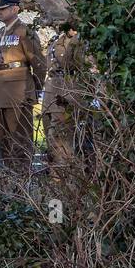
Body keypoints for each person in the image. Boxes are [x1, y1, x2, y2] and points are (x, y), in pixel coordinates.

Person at [0, 0, 47, 174]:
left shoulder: (24, 30)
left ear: (15, 9)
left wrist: (35, 88)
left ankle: (22, 178)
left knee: (20, 137)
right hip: (0, 90)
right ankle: (9, 178)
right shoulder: (0, 33)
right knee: (3, 137)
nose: (0, 12)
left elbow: (38, 61)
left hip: (18, 89)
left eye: (3, 9)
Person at [42, 20, 86, 167]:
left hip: (66, 91)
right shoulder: (56, 38)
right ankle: (56, 180)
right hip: (50, 91)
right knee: (50, 138)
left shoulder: (78, 38)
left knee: (60, 137)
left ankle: (67, 178)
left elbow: (78, 66)